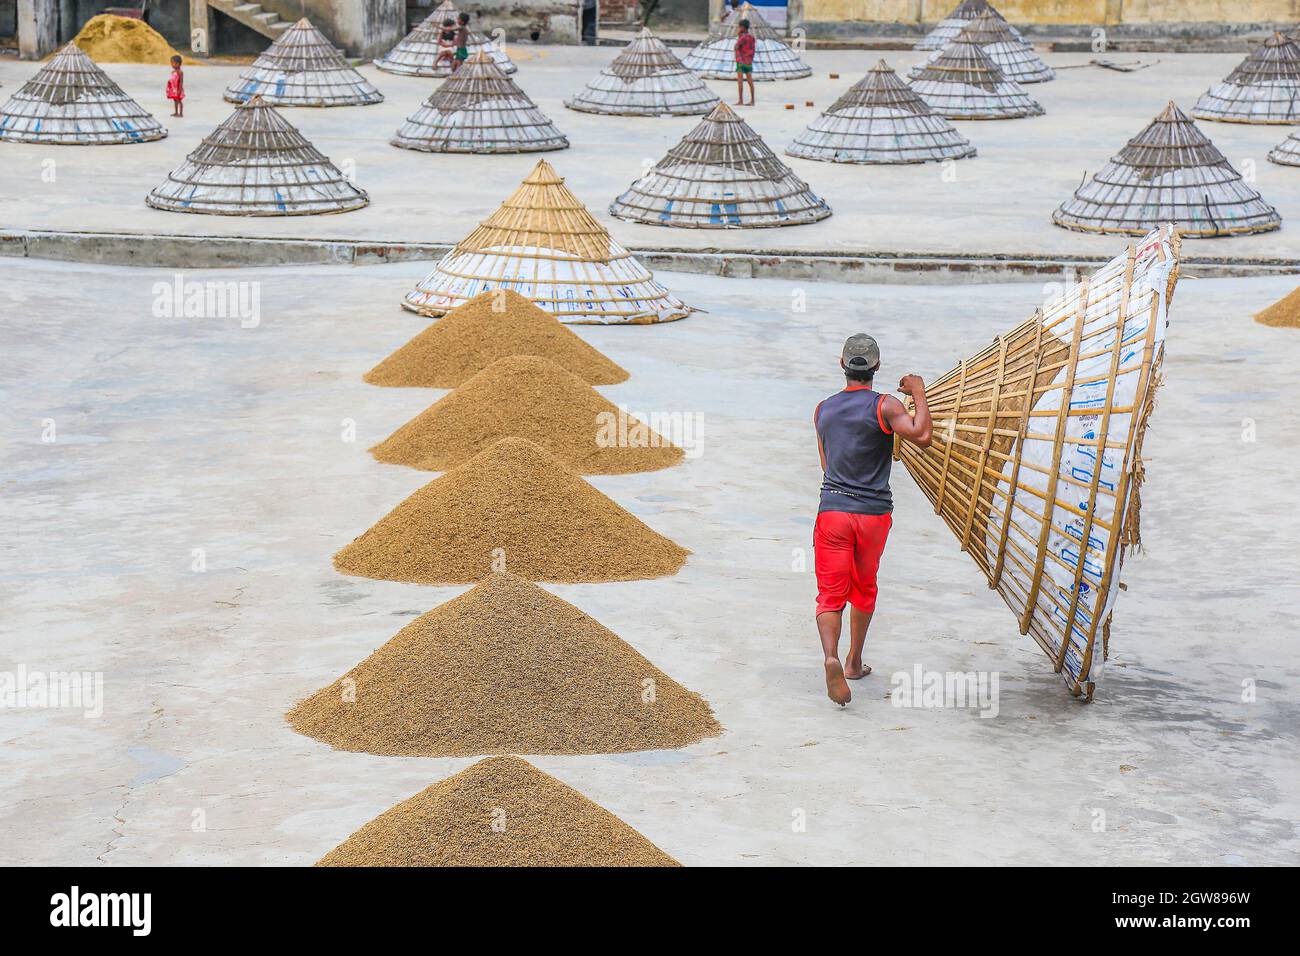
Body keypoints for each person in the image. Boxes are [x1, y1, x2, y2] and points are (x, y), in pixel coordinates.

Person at [812, 335, 932, 706]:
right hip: (872, 515)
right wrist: (919, 390)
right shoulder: (885, 406)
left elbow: (827, 465)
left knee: (830, 594)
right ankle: (853, 661)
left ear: (841, 364)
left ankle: (830, 655)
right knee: (864, 587)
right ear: (876, 367)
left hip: (832, 511)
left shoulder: (823, 410)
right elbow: (922, 435)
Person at [734, 18, 756, 106]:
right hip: (749, 62)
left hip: (741, 62)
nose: (738, 28)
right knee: (750, 81)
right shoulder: (752, 38)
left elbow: (737, 47)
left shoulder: (742, 38)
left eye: (739, 27)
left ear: (743, 27)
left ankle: (740, 100)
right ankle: (752, 100)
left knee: (740, 81)